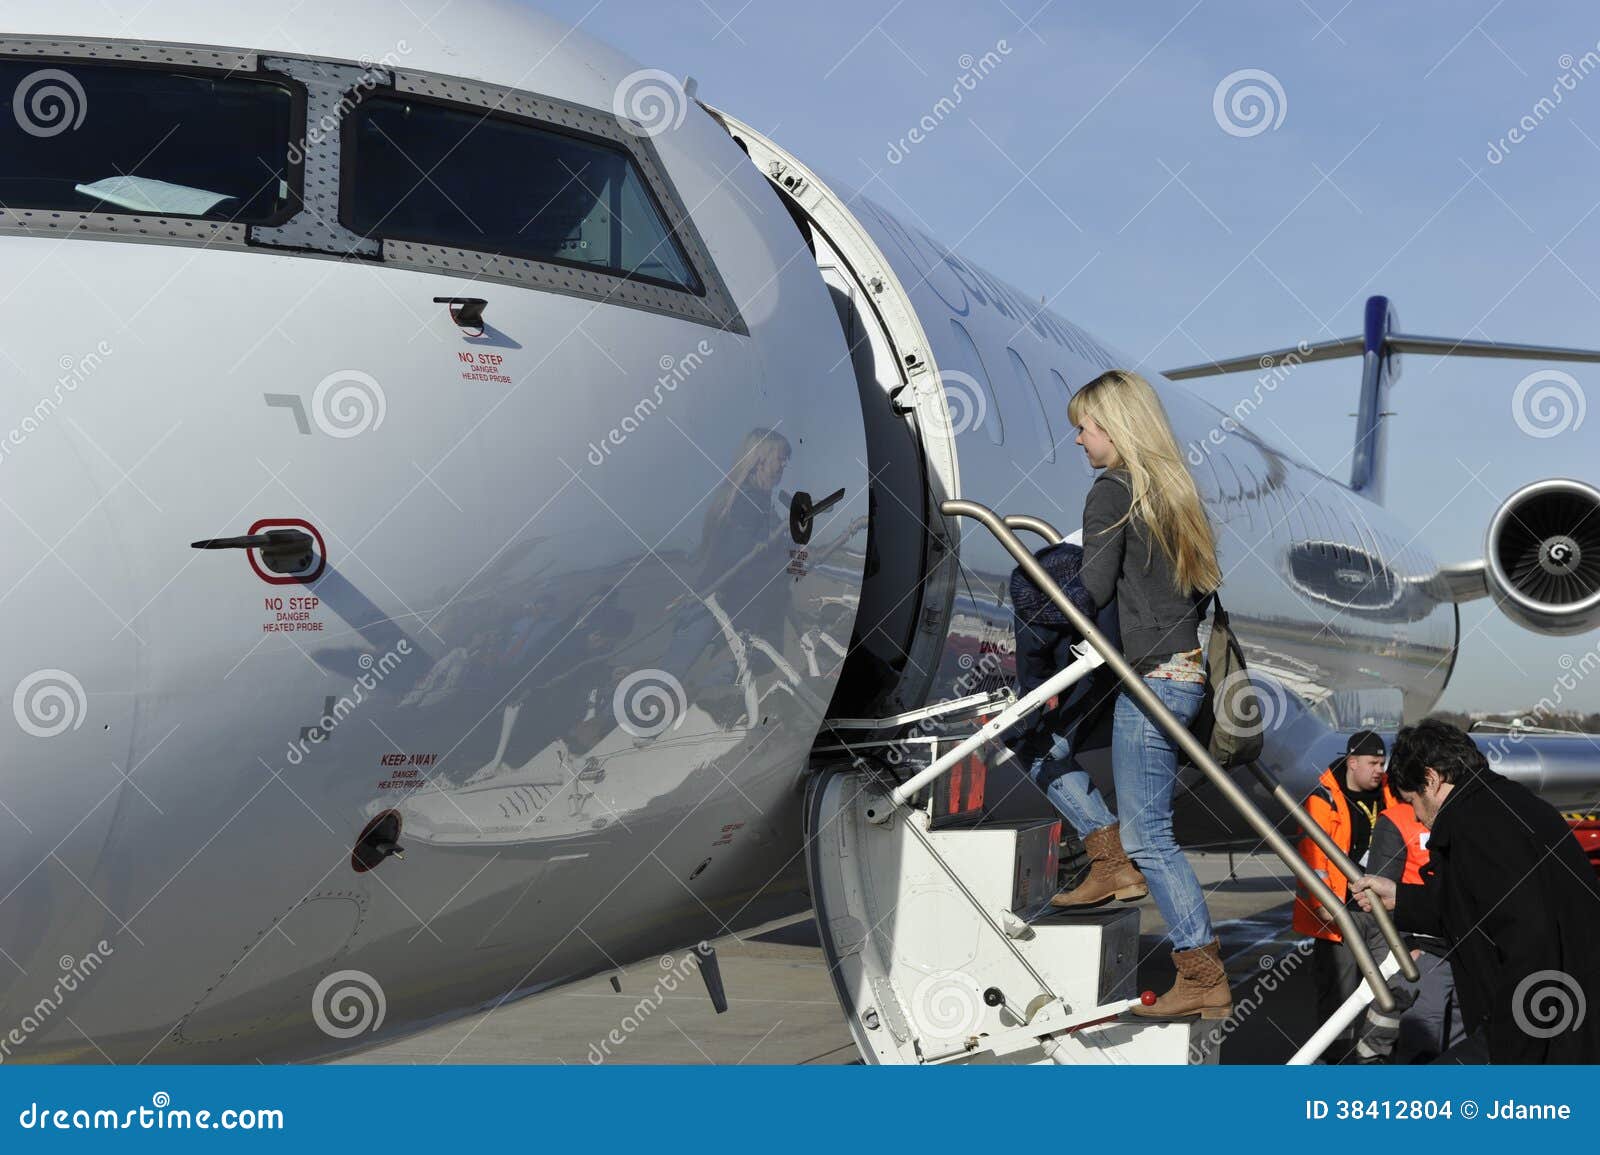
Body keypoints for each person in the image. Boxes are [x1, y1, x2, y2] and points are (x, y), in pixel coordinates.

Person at [1033, 368, 1230, 1020]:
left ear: (1114, 428)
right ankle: (1104, 856)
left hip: (1150, 679)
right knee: (1144, 829)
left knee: (1150, 837)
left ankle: (1200, 973)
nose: (1081, 441)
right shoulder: (1171, 492)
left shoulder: (1110, 491)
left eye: (1085, 428)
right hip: (1183, 671)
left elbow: (1091, 585)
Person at [1352, 718, 1600, 1063]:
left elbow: (1529, 938)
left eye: (1412, 801)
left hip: (1536, 1036)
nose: (1418, 817)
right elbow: (1481, 905)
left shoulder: (1477, 826)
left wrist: (1510, 1054)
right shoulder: (1506, 804)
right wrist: (1402, 897)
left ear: (1432, 779)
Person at [1293, 730, 1397, 1051]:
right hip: (1340, 916)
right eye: (1373, 763)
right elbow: (1314, 860)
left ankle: (1374, 1055)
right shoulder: (1322, 798)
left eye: (1382, 762)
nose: (1380, 769)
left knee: (1394, 988)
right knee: (1339, 998)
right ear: (1352, 762)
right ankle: (1334, 1067)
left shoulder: (1389, 794)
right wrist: (1327, 907)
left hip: (1382, 911)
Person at [1351, 794, 1463, 1063]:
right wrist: (1403, 946)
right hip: (1423, 944)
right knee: (1422, 1021)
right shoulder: (1398, 820)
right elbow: (1382, 894)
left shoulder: (1464, 817)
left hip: (1459, 940)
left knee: (1458, 1022)